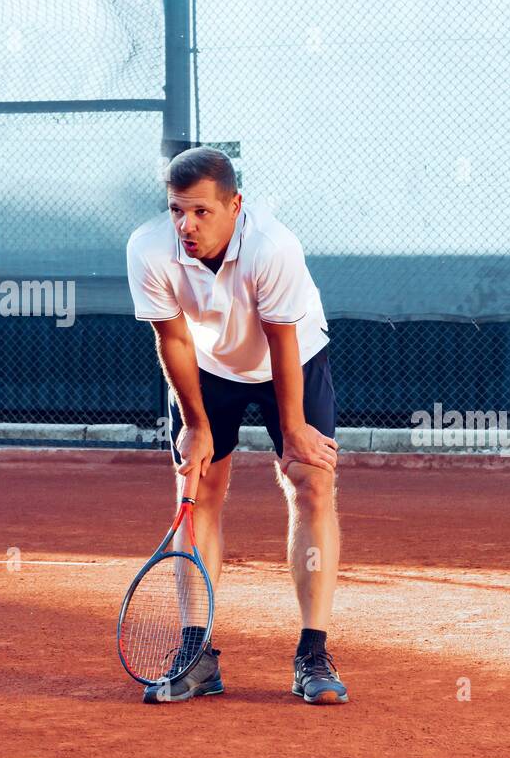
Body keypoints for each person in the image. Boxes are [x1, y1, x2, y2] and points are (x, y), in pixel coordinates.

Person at [125, 146, 347, 705]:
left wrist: (294, 428)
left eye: (201, 211)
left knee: (311, 481)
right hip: (206, 366)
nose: (186, 224)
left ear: (235, 205)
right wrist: (195, 423)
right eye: (177, 210)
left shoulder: (274, 248)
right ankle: (196, 655)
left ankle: (312, 654)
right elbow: (171, 338)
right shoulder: (148, 250)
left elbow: (281, 339)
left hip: (291, 360)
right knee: (197, 489)